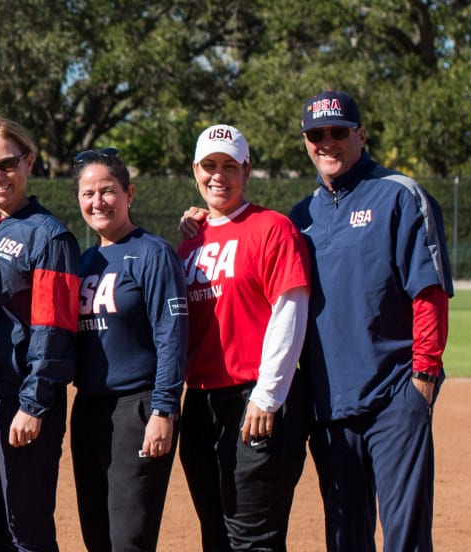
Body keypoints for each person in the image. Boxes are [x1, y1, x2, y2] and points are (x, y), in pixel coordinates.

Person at [287, 90, 451, 552]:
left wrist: (423, 376)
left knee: (405, 535)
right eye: (316, 135)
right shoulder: (301, 216)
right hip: (330, 403)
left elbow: (430, 291)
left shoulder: (399, 195)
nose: (327, 143)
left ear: (360, 134)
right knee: (344, 536)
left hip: (395, 394)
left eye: (338, 132)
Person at [175, 124, 315, 551]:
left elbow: (290, 312)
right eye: (209, 166)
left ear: (247, 170)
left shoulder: (272, 228)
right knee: (215, 537)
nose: (218, 176)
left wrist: (267, 396)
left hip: (254, 400)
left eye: (229, 166)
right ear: (195, 170)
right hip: (200, 402)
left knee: (254, 541)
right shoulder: (189, 241)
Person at [0, 117, 77, 552]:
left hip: (18, 403)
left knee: (25, 529)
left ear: (29, 162)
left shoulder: (49, 235)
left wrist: (34, 403)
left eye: (7, 164)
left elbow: (54, 327)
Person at [70, 148, 187, 552]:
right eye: (88, 193)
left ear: (129, 194)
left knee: (128, 540)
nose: (98, 201)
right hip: (88, 412)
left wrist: (163, 409)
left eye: (108, 191)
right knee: (97, 538)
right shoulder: (84, 261)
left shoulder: (153, 254)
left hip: (136, 409)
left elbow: (172, 336)